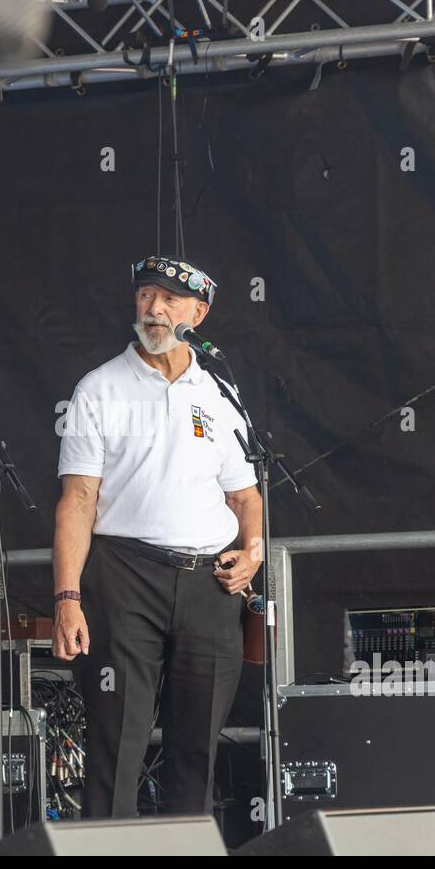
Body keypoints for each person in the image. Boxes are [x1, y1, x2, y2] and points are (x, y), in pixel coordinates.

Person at [52, 255, 262, 817]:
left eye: (170, 299)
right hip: (124, 578)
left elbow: (245, 495)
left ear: (200, 312)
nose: (155, 308)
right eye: (146, 295)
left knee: (197, 752)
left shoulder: (220, 391)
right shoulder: (99, 388)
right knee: (115, 745)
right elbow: (77, 500)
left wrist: (254, 550)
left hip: (210, 585)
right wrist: (68, 598)